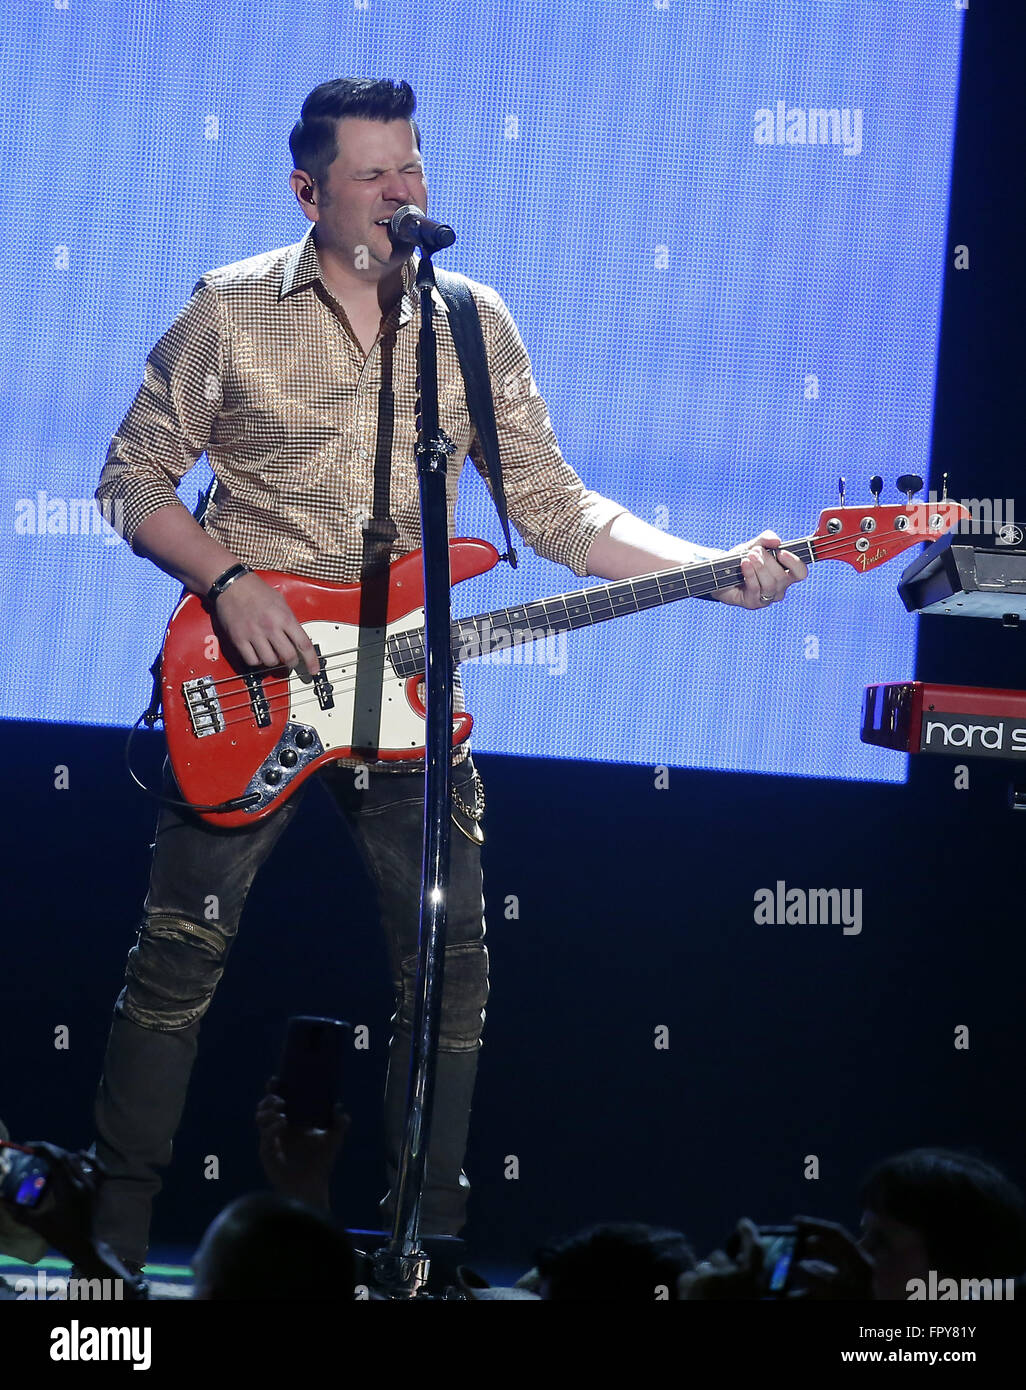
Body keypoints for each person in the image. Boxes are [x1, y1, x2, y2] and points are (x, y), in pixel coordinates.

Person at [88, 76, 806, 1275]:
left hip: (408, 690)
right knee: (177, 959)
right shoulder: (229, 309)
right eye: (372, 174)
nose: (400, 192)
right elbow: (132, 477)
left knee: (451, 971)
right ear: (309, 190)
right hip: (249, 671)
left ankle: (424, 1251)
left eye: (412, 167)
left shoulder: (471, 320)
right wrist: (228, 581)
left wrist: (707, 567)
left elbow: (553, 504)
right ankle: (104, 1250)